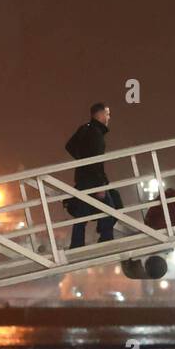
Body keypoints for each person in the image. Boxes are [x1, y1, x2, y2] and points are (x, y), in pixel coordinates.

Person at [64, 102, 119, 249]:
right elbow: (97, 162)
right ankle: (106, 237)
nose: (109, 117)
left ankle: (77, 244)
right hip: (93, 180)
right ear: (100, 115)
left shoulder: (85, 129)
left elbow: (69, 146)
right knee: (113, 206)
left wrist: (81, 159)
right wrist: (101, 184)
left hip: (83, 178)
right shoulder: (96, 134)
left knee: (82, 212)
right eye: (107, 114)